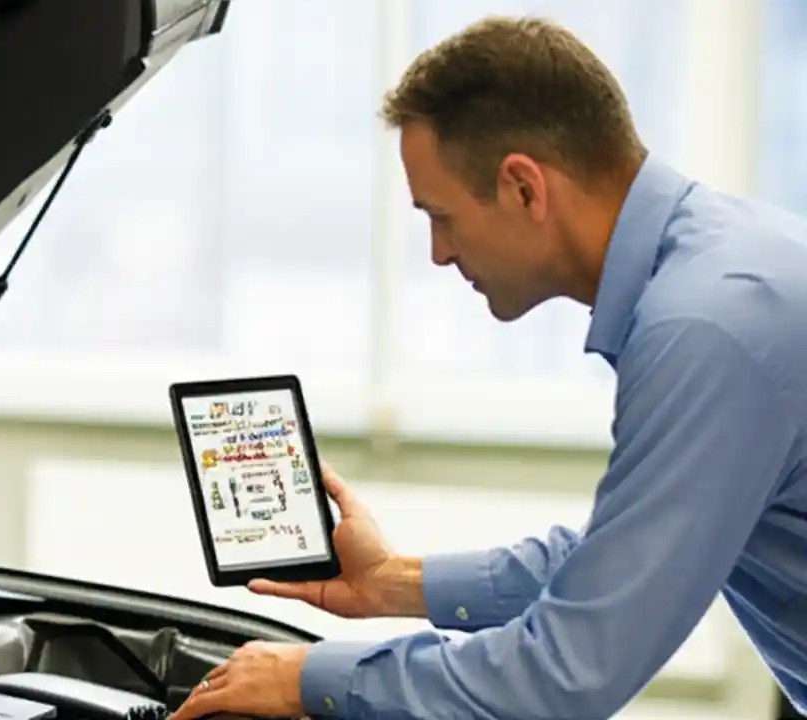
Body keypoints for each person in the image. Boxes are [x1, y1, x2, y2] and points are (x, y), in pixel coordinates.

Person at [167, 14, 807, 720]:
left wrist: (307, 677)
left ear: (524, 188)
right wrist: (394, 581)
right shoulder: (724, 265)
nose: (439, 252)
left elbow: (565, 674)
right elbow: (623, 555)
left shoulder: (706, 328)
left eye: (440, 215)